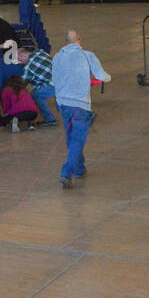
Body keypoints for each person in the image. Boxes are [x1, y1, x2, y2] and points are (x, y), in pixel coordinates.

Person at [51, 29, 111, 188]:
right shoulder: (87, 55)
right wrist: (107, 77)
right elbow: (100, 76)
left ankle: (79, 168)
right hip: (80, 105)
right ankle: (66, 172)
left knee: (71, 137)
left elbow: (53, 81)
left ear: (66, 42)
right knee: (77, 139)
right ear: (79, 40)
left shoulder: (57, 57)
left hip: (62, 103)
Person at [18, 46, 58, 127]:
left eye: (20, 60)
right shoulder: (40, 52)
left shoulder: (28, 66)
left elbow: (22, 83)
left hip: (55, 84)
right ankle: (84, 114)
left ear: (24, 56)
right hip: (62, 79)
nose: (20, 63)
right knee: (64, 104)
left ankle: (50, 120)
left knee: (36, 95)